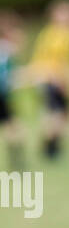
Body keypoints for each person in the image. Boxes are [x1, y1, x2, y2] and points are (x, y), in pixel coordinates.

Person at [27, 0, 69, 159]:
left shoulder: (51, 33)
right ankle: (50, 150)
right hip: (52, 79)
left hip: (46, 78)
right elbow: (57, 61)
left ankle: (51, 148)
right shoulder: (60, 35)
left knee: (60, 115)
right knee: (58, 115)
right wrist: (67, 80)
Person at [0, 11, 26, 170]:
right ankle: (17, 162)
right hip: (2, 95)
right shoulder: (8, 50)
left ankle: (16, 161)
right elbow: (9, 76)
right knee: (15, 129)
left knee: (13, 128)